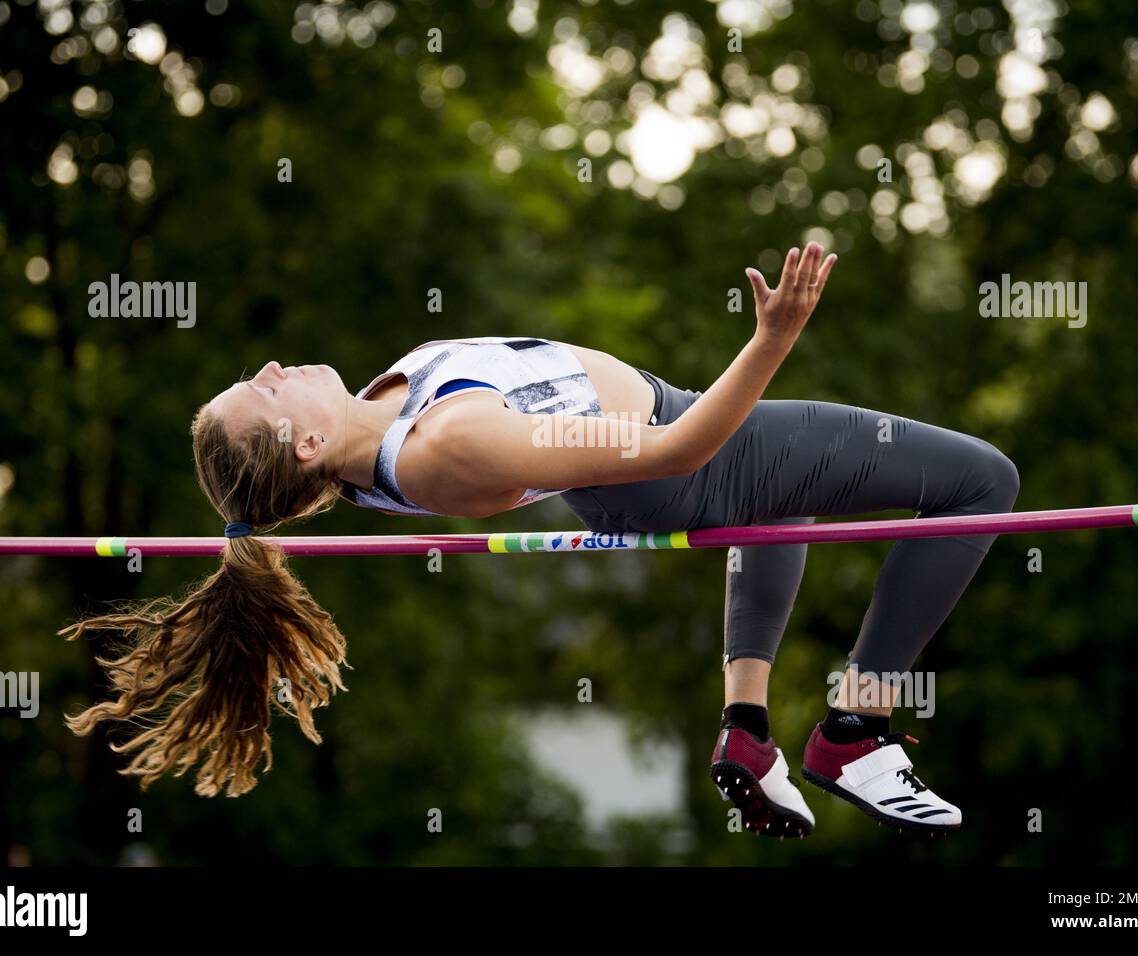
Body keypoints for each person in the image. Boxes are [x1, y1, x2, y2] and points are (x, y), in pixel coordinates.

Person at [62, 242, 1019, 835]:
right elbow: (675, 446)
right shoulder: (449, 439)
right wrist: (774, 337)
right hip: (690, 458)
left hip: (662, 471)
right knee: (982, 481)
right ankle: (858, 729)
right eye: (261, 390)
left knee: (788, 502)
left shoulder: (371, 424)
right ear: (306, 444)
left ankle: (749, 731)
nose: (271, 366)